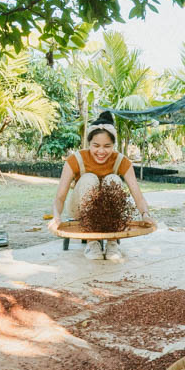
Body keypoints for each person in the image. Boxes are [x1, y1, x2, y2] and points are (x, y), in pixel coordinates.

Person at [47, 112, 155, 261]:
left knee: (113, 179)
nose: (101, 151)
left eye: (107, 146)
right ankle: (92, 243)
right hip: (79, 209)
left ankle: (112, 243)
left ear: (113, 145)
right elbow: (60, 197)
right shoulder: (76, 159)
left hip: (110, 213)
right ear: (89, 144)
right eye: (96, 146)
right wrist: (56, 217)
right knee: (88, 178)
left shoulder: (121, 161)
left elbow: (138, 195)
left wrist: (145, 215)